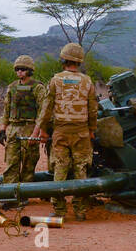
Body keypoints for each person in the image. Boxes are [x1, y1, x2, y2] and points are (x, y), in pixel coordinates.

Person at [31, 42, 99, 220]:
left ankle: (59, 210)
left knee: (60, 169)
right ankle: (80, 211)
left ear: (64, 59)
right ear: (79, 62)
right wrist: (92, 130)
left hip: (60, 132)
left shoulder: (56, 80)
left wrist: (43, 130)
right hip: (82, 132)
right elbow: (93, 109)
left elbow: (46, 108)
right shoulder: (87, 81)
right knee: (81, 170)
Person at [2, 55, 44, 184]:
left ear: (29, 70)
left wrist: (36, 133)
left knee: (28, 163)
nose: (19, 71)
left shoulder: (38, 87)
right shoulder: (12, 87)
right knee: (11, 163)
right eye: (17, 69)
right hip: (13, 128)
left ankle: (25, 193)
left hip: (29, 127)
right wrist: (3, 129)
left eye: (23, 69)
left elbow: (43, 111)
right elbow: (6, 108)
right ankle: (10, 194)